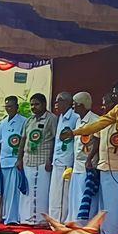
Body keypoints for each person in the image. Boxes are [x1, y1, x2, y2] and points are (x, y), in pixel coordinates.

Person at [63, 82, 118, 234]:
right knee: (117, 202)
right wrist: (75, 132)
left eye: (115, 93)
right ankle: (117, 231)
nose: (113, 96)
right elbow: (98, 125)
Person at [17, 93, 57, 225]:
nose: (34, 107)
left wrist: (50, 159)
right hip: (28, 160)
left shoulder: (51, 119)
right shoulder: (29, 120)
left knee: (41, 191)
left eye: (37, 104)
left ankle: (40, 219)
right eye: (32, 104)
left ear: (44, 104)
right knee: (27, 191)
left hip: (43, 160)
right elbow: (23, 139)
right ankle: (27, 218)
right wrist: (19, 159)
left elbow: (54, 140)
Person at [67, 92, 101, 225]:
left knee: (86, 197)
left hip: (88, 166)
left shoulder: (95, 120)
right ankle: (76, 223)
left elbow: (97, 141)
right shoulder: (78, 121)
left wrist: (89, 159)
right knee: (76, 197)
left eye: (75, 105)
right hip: (77, 165)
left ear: (82, 105)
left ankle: (86, 225)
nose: (73, 107)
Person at [0, 96, 27, 225]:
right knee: (5, 192)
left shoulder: (24, 121)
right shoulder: (3, 123)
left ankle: (14, 217)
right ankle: (6, 216)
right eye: (7, 106)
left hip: (15, 160)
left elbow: (24, 141)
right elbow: (0, 142)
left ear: (17, 107)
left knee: (14, 190)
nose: (9, 109)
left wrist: (20, 159)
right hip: (4, 160)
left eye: (11, 106)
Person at [49, 92, 78, 221]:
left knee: (63, 193)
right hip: (57, 159)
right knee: (55, 193)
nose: (56, 104)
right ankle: (54, 220)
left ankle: (60, 221)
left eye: (59, 101)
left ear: (67, 102)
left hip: (67, 160)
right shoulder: (59, 117)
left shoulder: (75, 117)